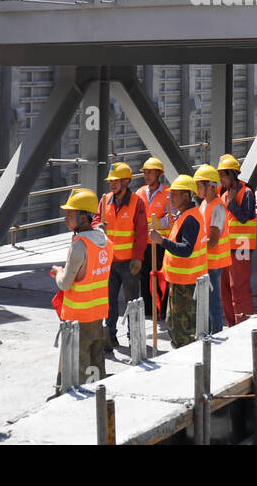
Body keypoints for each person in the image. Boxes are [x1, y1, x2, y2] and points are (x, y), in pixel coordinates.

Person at [50, 189, 112, 391]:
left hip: (79, 316)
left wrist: (58, 271)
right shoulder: (106, 243)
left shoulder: (79, 247)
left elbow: (65, 284)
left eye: (70, 213)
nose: (66, 218)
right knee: (96, 360)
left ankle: (80, 402)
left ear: (83, 216)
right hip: (98, 313)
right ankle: (100, 397)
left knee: (80, 366)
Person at [94, 161, 147, 352]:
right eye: (111, 180)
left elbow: (142, 233)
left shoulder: (137, 203)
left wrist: (138, 258)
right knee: (109, 301)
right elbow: (97, 220)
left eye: (116, 180)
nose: (112, 184)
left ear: (126, 181)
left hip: (128, 262)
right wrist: (96, 226)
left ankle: (135, 338)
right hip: (108, 261)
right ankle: (110, 337)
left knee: (132, 302)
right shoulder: (105, 200)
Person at [149, 175, 205, 349]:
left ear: (186, 196)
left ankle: (187, 358)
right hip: (179, 281)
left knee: (182, 329)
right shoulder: (185, 216)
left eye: (175, 194)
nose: (170, 198)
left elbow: (186, 249)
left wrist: (162, 241)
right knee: (173, 324)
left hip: (186, 283)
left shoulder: (190, 219)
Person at [216, 154, 256, 326]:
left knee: (239, 288)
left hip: (241, 247)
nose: (221, 179)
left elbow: (245, 217)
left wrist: (232, 203)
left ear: (232, 174)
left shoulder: (247, 193)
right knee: (225, 289)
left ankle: (244, 323)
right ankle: (232, 324)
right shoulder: (224, 196)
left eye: (223, 175)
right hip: (226, 248)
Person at [134, 157, 169, 320]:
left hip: (160, 242)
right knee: (144, 276)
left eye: (150, 172)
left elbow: (171, 218)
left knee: (161, 275)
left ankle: (162, 309)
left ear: (158, 174)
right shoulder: (139, 193)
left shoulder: (168, 194)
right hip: (144, 243)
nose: (146, 176)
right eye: (145, 172)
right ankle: (149, 309)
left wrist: (155, 224)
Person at [194, 163, 227, 333]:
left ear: (210, 185)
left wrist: (194, 247)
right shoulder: (204, 204)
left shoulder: (218, 207)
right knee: (205, 302)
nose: (197, 188)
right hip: (205, 263)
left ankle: (217, 332)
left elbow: (213, 240)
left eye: (199, 185)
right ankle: (208, 333)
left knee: (213, 302)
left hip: (214, 264)